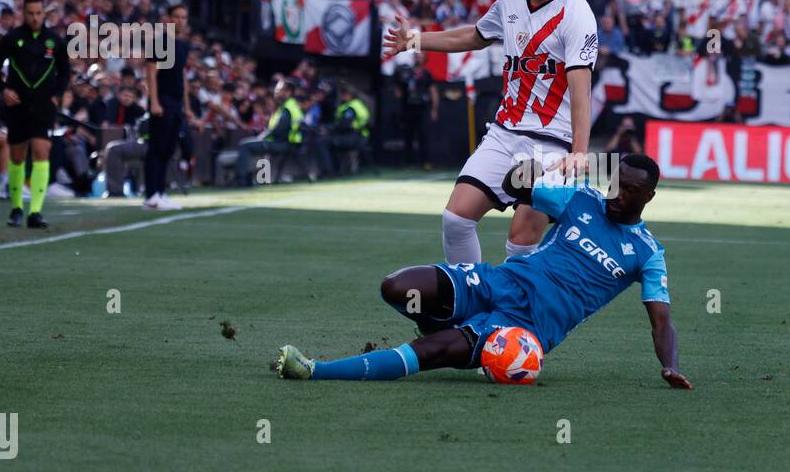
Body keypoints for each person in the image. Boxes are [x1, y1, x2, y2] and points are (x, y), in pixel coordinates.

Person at [272, 155, 690, 390]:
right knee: (397, 287)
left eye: (630, 190)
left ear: (649, 196)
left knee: (432, 355)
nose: (617, 195)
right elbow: (517, 185)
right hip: (497, 281)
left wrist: (669, 365)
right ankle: (437, 325)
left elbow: (661, 321)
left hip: (522, 328)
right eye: (616, 184)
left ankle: (315, 370)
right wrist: (528, 168)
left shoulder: (648, 253)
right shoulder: (581, 199)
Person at [381, 0, 597, 265]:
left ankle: (519, 316)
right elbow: (473, 36)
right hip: (504, 132)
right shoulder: (510, 1)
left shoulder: (577, 13)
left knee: (520, 242)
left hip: (552, 141)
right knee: (455, 219)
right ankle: (472, 305)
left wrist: (580, 151)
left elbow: (580, 86)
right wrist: (416, 40)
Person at [0, 0, 68, 229]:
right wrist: (4, 89)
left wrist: (57, 94)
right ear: (23, 13)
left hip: (43, 104)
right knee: (17, 156)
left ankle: (35, 211)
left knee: (42, 151)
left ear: (44, 13)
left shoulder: (55, 41)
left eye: (38, 13)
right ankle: (16, 208)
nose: (34, 18)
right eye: (30, 13)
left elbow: (65, 71)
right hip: (18, 104)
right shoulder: (12, 38)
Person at [142, 3, 189, 210]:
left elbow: (182, 76)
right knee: (157, 148)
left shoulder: (182, 45)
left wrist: (187, 106)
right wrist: (154, 102)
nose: (180, 21)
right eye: (176, 16)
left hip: (176, 102)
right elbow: (151, 73)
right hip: (162, 100)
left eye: (183, 17)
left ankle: (160, 192)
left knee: (168, 149)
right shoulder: (159, 41)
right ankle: (151, 195)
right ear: (167, 18)